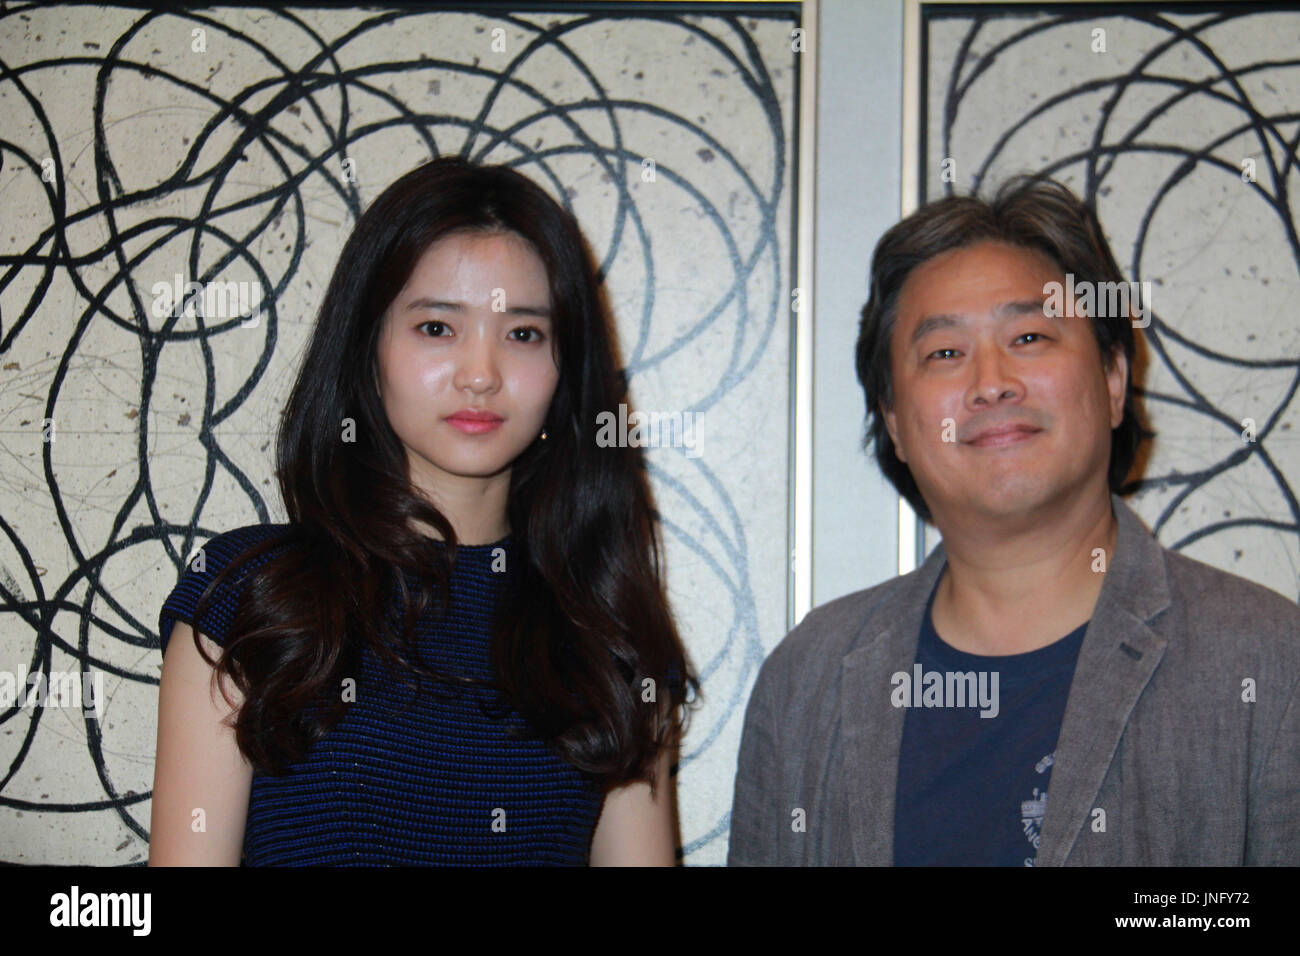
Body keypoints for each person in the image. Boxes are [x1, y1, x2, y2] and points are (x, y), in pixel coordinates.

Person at [727, 176, 1300, 866]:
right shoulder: (806, 680)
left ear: (1114, 380)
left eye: (1029, 335)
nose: (991, 382)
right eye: (944, 353)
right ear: (895, 424)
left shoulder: (1268, 661)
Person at [150, 156, 696, 866]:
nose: (481, 373)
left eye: (523, 333)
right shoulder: (252, 598)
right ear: (367, 347)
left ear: (567, 371)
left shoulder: (609, 636)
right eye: (437, 327)